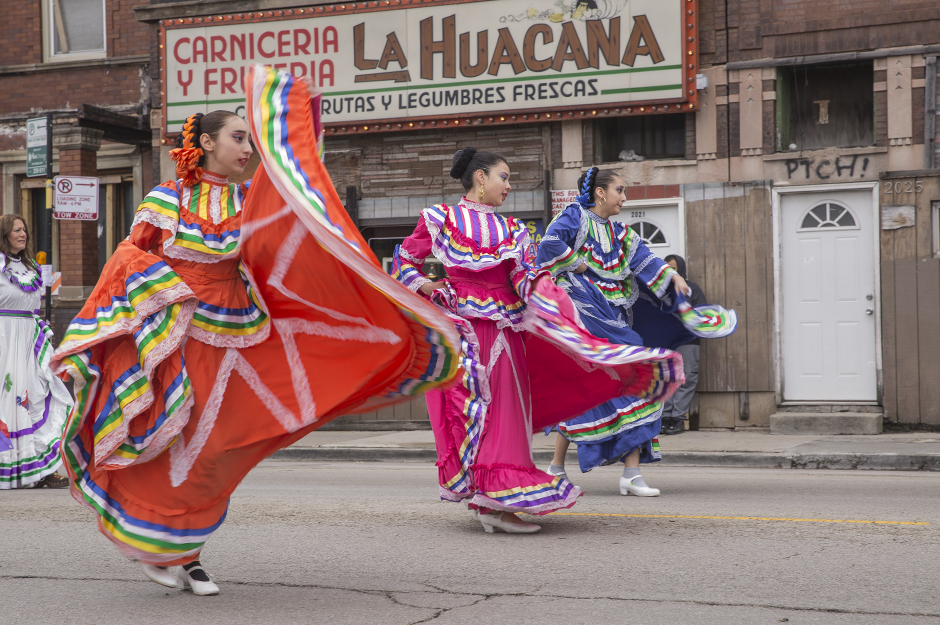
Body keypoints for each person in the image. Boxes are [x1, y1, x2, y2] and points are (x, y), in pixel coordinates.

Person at [50, 65, 461, 595]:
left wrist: (300, 125)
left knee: (218, 448)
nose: (247, 148)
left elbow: (294, 206)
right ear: (205, 142)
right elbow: (127, 259)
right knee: (170, 443)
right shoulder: (166, 200)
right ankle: (161, 542)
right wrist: (165, 288)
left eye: (251, 138)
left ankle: (188, 551)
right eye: (238, 137)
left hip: (239, 341)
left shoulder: (249, 205)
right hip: (175, 340)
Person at [392, 149, 687, 534]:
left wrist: (556, 305)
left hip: (506, 330)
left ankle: (495, 501)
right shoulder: (441, 219)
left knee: (508, 412)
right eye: (504, 176)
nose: (509, 185)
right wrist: (430, 285)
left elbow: (524, 276)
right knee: (475, 415)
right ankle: (490, 500)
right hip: (465, 330)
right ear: (480, 178)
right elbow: (404, 262)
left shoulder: (514, 230)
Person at [537, 168, 735, 496]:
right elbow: (549, 243)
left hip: (615, 318)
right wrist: (577, 264)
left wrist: (672, 276)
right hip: (584, 316)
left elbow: (646, 260)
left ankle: (627, 472)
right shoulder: (576, 217)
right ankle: (560, 468)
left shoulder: (621, 234)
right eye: (620, 190)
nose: (624, 198)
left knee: (632, 384)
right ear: (601, 193)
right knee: (597, 388)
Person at [0, 215, 71, 489]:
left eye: (25, 229)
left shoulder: (31, 267)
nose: (23, 234)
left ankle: (38, 467)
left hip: (29, 339)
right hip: (5, 339)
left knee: (37, 396)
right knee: (9, 399)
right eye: (17, 230)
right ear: (4, 234)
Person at [660, 254, 706, 435]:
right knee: (667, 379)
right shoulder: (660, 291)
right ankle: (664, 418)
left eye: (674, 267)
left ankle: (677, 419)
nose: (671, 271)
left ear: (681, 269)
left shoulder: (692, 289)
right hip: (666, 341)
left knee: (686, 378)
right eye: (667, 268)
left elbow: (701, 313)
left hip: (689, 341)